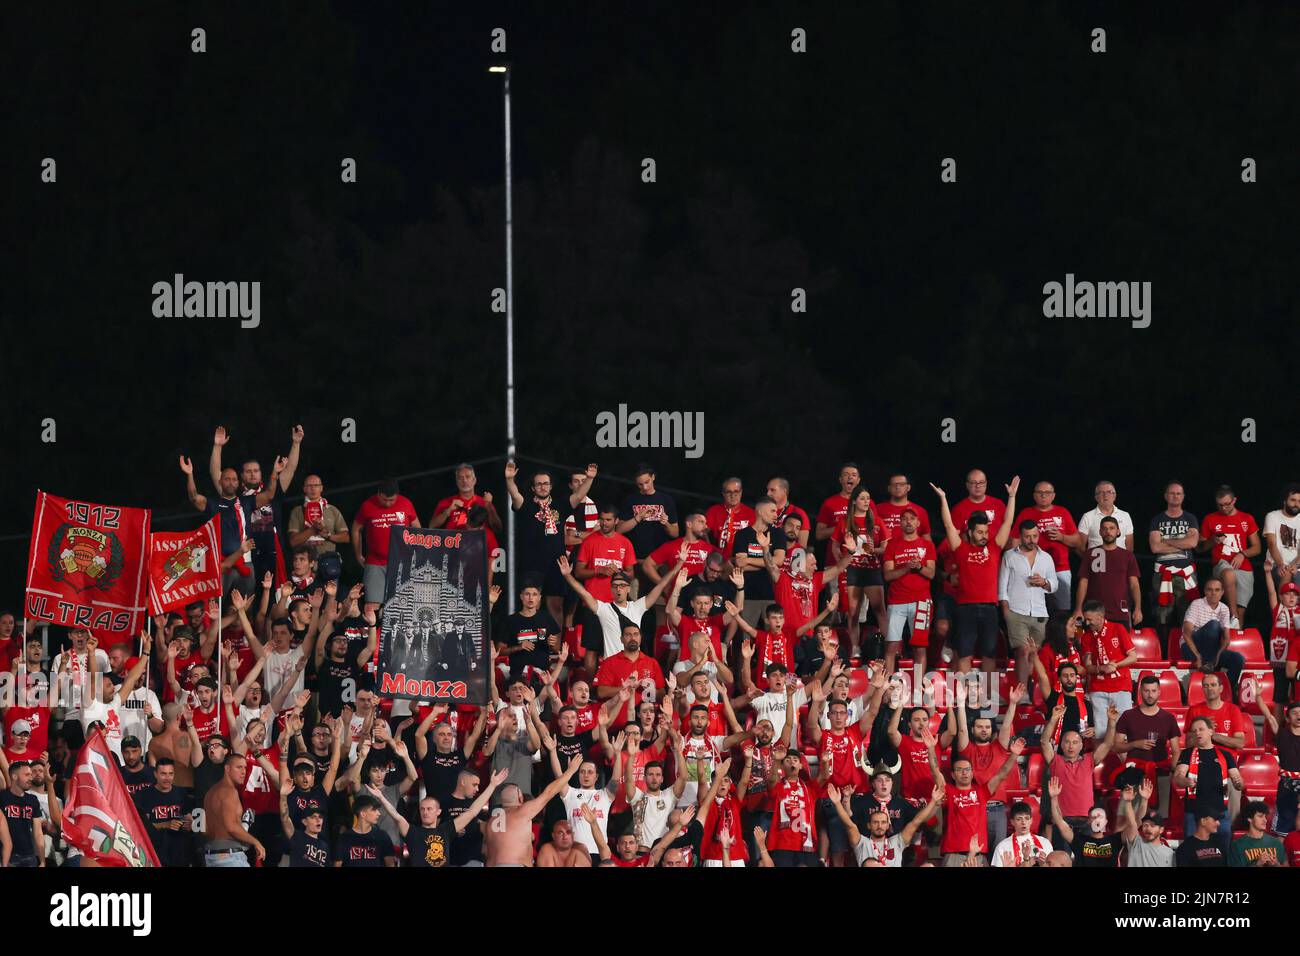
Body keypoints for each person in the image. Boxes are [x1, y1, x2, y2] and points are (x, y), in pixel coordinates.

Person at [931, 477, 1019, 675]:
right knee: (964, 654)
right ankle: (964, 697)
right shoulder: (960, 549)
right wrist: (943, 499)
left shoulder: (995, 548)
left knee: (989, 654)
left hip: (989, 609)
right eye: (979, 532)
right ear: (970, 533)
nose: (984, 535)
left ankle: (988, 697)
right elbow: (947, 525)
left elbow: (1008, 521)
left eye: (986, 531)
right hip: (966, 609)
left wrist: (1012, 496)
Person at [561, 551, 682, 670]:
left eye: (622, 586)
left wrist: (679, 564)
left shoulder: (637, 607)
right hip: (612, 669)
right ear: (611, 590)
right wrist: (567, 575)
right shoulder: (604, 609)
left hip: (633, 667)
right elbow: (583, 593)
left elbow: (660, 586)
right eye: (615, 586)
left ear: (628, 589)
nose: (618, 589)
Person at [373, 769, 507, 868]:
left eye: (429, 809)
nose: (425, 812)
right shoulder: (412, 832)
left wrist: (492, 786)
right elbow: (395, 815)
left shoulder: (446, 829)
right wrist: (381, 797)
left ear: (439, 812)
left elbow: (472, 812)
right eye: (422, 809)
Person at [1041, 700, 1118, 849]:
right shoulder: (1055, 760)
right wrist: (1054, 718)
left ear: (1082, 745)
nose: (1071, 746)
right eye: (1067, 742)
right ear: (1061, 745)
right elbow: (1044, 741)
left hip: (1086, 821)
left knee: (1087, 861)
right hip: (1062, 820)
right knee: (1063, 860)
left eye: (1075, 742)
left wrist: (1112, 722)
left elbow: (1108, 744)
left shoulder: (1089, 759)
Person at [484, 754, 583, 866]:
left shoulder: (491, 821)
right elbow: (549, 792)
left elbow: (487, 851)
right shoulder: (522, 812)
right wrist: (570, 771)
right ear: (520, 798)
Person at [939, 742, 1023, 866]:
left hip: (979, 858)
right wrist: (930, 749)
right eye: (959, 770)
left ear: (972, 773)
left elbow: (1002, 774)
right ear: (952, 774)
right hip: (953, 856)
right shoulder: (948, 791)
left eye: (967, 769)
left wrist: (1014, 755)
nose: (964, 773)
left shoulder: (981, 792)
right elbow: (935, 773)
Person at [825, 780, 940, 867]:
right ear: (869, 825)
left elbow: (916, 821)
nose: (880, 826)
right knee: (872, 864)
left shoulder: (897, 841)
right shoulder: (862, 843)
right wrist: (837, 803)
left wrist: (934, 801)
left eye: (883, 822)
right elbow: (849, 824)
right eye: (875, 822)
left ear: (887, 825)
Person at [1113, 674, 1183, 816]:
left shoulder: (1168, 718)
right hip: (1133, 773)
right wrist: (1134, 744)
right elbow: (1116, 746)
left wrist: (1174, 771)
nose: (1150, 695)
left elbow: (1176, 750)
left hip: (1161, 773)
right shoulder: (1128, 715)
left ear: (1159, 692)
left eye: (1153, 691)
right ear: (1140, 692)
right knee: (1128, 817)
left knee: (1158, 820)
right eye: (1146, 691)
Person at [1173, 716, 1245, 853]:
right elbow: (1178, 776)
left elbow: (1238, 779)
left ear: (1211, 731)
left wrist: (1238, 783)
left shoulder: (1225, 755)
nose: (1197, 733)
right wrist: (1185, 781)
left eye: (1201, 729)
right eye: (1194, 731)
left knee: (1223, 852)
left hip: (1220, 813)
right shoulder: (1187, 754)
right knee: (1191, 852)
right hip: (1194, 812)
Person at [881, 506, 938, 675]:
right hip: (896, 602)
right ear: (900, 523)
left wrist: (919, 567)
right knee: (891, 646)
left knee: (919, 648)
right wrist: (906, 568)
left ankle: (918, 693)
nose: (909, 521)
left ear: (918, 523)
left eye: (912, 518)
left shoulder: (927, 545)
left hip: (921, 602)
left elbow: (932, 573)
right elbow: (887, 576)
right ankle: (888, 691)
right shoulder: (892, 545)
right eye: (905, 518)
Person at [1198, 484, 1261, 628]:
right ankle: (1232, 616)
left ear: (1234, 501)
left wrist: (1242, 553)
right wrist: (1212, 541)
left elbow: (1257, 548)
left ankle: (1236, 634)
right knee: (1228, 574)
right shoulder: (1210, 519)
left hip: (1243, 567)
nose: (1223, 508)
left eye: (1227, 504)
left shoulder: (1247, 518)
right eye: (1220, 505)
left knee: (1241, 610)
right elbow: (1199, 548)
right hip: (1221, 564)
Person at [351, 480, 419, 611]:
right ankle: (372, 631)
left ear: (397, 495)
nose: (388, 503)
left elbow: (417, 529)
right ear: (378, 494)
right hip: (375, 562)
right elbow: (356, 529)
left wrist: (416, 555)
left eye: (392, 500)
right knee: (371, 607)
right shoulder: (367, 505)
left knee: (401, 605)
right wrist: (358, 554)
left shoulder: (406, 503)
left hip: (402, 562)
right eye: (384, 500)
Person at [1014, 481, 1081, 614]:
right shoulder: (1026, 513)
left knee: (1061, 612)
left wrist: (1062, 537)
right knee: (1033, 611)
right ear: (1034, 495)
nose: (1043, 496)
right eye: (1040, 493)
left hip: (1060, 569)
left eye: (1047, 493)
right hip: (1033, 570)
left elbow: (1078, 542)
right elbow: (1014, 542)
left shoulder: (1063, 512)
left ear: (1053, 495)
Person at [1147, 481, 1200, 639]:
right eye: (1172, 493)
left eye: (1178, 493)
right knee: (1162, 615)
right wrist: (1181, 544)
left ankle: (1186, 652)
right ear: (1165, 496)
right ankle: (1163, 654)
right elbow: (1155, 547)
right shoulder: (1157, 520)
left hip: (1186, 574)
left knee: (1188, 615)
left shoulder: (1190, 518)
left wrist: (1167, 541)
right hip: (1163, 574)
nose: (1175, 496)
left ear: (1183, 497)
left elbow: (1192, 543)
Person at [1079, 599, 1137, 737]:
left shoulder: (1118, 629)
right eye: (1086, 620)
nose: (1087, 623)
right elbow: (1087, 666)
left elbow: (1133, 657)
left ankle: (1124, 759)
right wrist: (1101, 668)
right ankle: (1101, 759)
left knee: (1124, 731)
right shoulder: (1086, 637)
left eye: (1089, 619)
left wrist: (1116, 665)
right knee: (1100, 732)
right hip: (1098, 688)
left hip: (1121, 686)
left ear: (1100, 617)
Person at [1180, 578, 1246, 697]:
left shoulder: (1224, 608)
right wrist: (1197, 656)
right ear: (1205, 591)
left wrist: (1219, 654)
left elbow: (1226, 637)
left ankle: (1225, 692)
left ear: (1222, 593)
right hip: (1191, 647)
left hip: (1212, 652)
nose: (1213, 593)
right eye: (1210, 590)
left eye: (1217, 590)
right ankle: (1210, 665)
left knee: (1238, 659)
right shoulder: (1197, 604)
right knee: (1214, 625)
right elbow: (1186, 633)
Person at [1074, 518, 1143, 628]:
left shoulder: (1128, 556)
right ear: (1100, 532)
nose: (1108, 531)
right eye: (1105, 529)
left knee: (1121, 644)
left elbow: (1134, 585)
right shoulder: (1090, 554)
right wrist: (1078, 609)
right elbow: (1083, 583)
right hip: (1093, 613)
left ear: (1118, 531)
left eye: (1112, 528)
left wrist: (1138, 609)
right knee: (1090, 644)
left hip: (1120, 612)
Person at [202, 753, 266, 867]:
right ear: (227, 769)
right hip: (229, 857)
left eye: (245, 768)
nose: (243, 772)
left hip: (211, 856)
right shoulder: (229, 792)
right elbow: (231, 827)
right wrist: (256, 842)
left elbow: (205, 829)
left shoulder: (210, 792)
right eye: (239, 767)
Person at [1046, 777, 1123, 867]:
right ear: (1088, 821)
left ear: (1106, 821)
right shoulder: (1080, 840)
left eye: (1100, 816)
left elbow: (1134, 825)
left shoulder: (1114, 840)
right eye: (1093, 817)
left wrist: (1129, 801)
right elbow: (1059, 821)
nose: (1097, 819)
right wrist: (1054, 798)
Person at [136, 758, 195, 867]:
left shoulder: (181, 793)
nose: (167, 778)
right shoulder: (144, 795)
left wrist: (190, 825)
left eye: (170, 774)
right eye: (163, 774)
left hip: (180, 854)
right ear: (155, 774)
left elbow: (190, 818)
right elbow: (141, 827)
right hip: (156, 854)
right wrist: (165, 825)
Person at [1257, 699, 1300, 834]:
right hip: (1287, 786)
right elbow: (1268, 716)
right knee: (1282, 830)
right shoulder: (1282, 734)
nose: (1299, 715)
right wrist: (1258, 696)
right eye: (1294, 712)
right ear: (1287, 718)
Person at [287, 474, 351, 554]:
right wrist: (312, 530)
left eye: (316, 485)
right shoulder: (297, 511)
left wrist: (328, 536)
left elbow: (346, 537)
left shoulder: (332, 510)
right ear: (304, 489)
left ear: (321, 488)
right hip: (305, 561)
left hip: (328, 559)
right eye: (309, 485)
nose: (313, 488)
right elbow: (293, 541)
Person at [1120, 778, 1174, 867]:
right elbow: (1132, 823)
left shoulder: (1170, 853)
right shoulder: (1137, 843)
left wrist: (1145, 799)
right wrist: (1128, 802)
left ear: (1161, 830)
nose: (1148, 828)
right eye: (1145, 825)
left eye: (1153, 825)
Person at [0, 761, 45, 867]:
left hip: (29, 855)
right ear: (14, 776)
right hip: (7, 855)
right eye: (27, 775)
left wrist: (42, 861)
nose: (31, 778)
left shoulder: (32, 800)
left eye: (30, 775)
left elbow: (38, 832)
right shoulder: (2, 797)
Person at [333, 794, 396, 867]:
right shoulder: (344, 838)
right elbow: (337, 865)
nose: (379, 813)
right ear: (363, 814)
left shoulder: (382, 836)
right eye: (374, 810)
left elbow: (390, 864)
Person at [990, 800, 1054, 866]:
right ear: (1012, 822)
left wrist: (1044, 864)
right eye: (1019, 819)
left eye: (1026, 818)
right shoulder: (1003, 846)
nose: (1023, 822)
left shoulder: (1045, 843)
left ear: (1031, 820)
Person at [1076, 480, 1135, 551]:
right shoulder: (1087, 517)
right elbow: (1079, 546)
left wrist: (1124, 561)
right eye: (1101, 493)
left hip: (1120, 561)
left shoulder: (1125, 516)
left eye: (1109, 492)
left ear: (1114, 496)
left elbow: (1129, 546)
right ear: (1096, 497)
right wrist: (1089, 561)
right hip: (1096, 560)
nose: (1105, 495)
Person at [1228, 801, 1286, 866]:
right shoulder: (1237, 846)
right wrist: (1257, 864)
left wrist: (1277, 865)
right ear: (1249, 818)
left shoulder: (1276, 843)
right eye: (1260, 816)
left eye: (1265, 816)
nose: (1265, 820)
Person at [706, 478, 755, 555]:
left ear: (741, 492)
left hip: (743, 558)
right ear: (723, 493)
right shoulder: (714, 511)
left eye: (736, 491)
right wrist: (711, 552)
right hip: (719, 557)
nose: (732, 495)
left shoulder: (751, 514)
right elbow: (703, 532)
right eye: (729, 492)